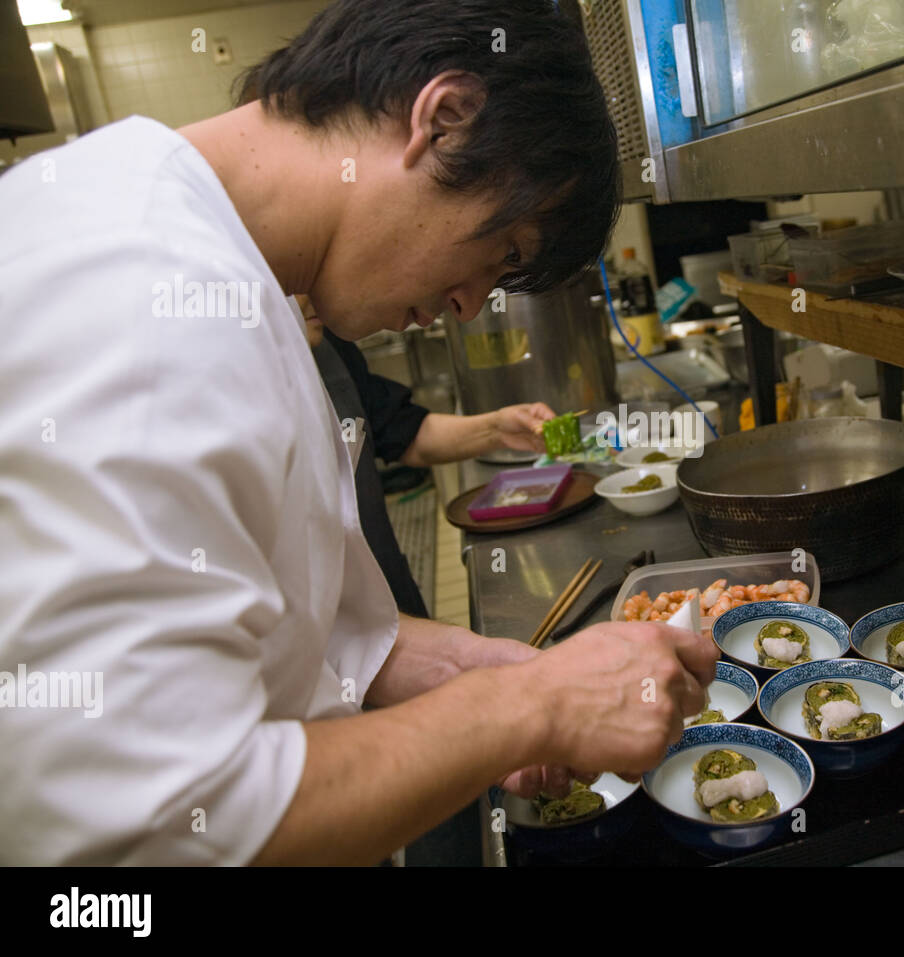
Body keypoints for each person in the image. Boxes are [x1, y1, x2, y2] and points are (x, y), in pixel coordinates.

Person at [0, 0, 716, 865]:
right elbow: (151, 814)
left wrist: (503, 676)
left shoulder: (228, 271)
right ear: (444, 121)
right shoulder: (146, 291)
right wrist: (533, 709)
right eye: (497, 255)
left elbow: (312, 635)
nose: (464, 303)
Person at [302, 296, 553, 618]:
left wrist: (496, 430)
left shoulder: (327, 343)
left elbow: (403, 432)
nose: (310, 297)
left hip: (383, 581)